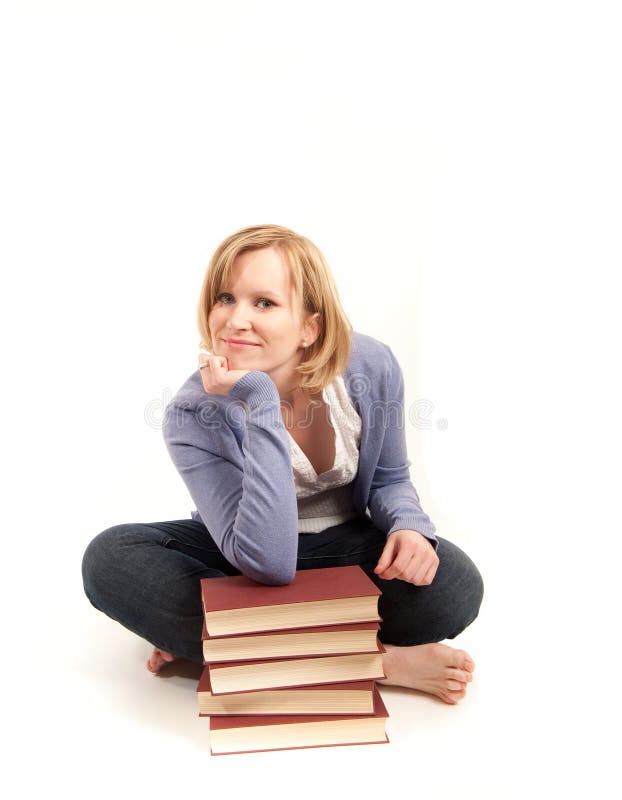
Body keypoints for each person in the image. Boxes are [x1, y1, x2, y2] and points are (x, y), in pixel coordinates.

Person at [82, 224, 484, 705]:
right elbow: (267, 563)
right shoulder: (193, 414)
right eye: (225, 298)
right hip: (244, 557)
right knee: (110, 558)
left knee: (455, 584)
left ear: (310, 326)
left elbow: (389, 478)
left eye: (264, 303)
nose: (235, 320)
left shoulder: (370, 365)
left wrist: (409, 526)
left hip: (346, 548)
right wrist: (258, 400)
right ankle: (377, 663)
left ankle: (230, 644)